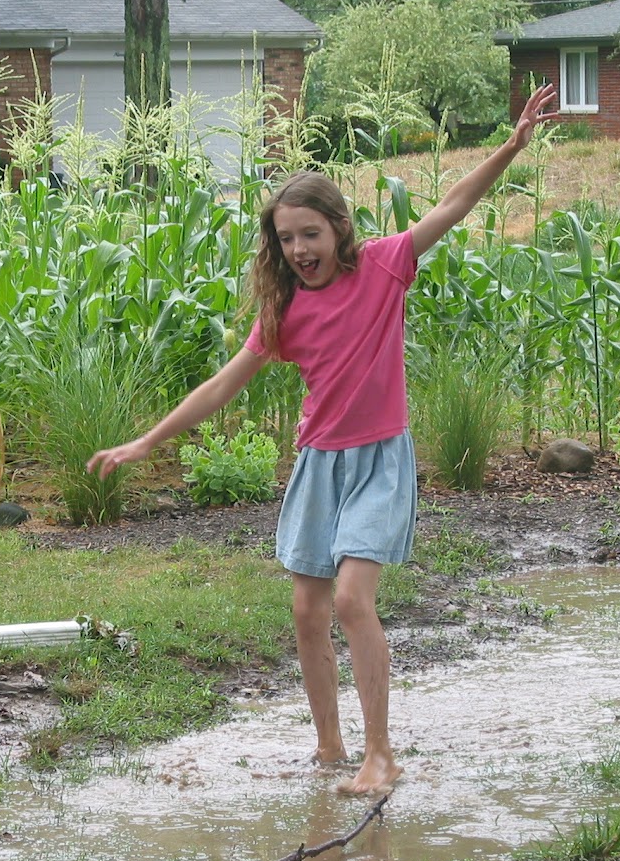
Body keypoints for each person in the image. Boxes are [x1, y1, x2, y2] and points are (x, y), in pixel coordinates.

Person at [89, 84, 560, 796]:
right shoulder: (284, 311)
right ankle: (330, 746)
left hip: (380, 462)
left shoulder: (384, 266)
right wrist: (146, 443)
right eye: (286, 238)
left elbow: (453, 205)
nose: (299, 248)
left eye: (311, 233)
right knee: (307, 608)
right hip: (318, 466)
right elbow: (221, 385)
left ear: (339, 228)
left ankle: (381, 754)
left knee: (348, 600)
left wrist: (512, 146)